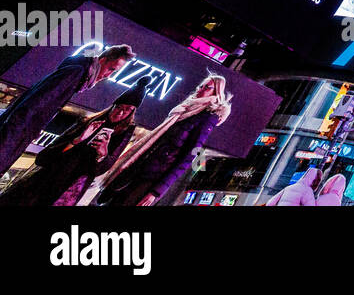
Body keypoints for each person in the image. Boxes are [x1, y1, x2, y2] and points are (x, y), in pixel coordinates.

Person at [0, 76, 148, 207]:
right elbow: (44, 157)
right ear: (113, 106)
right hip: (44, 181)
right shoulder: (87, 122)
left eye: (127, 110)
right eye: (119, 107)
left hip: (69, 189)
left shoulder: (123, 135)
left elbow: (100, 169)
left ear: (131, 113)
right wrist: (78, 140)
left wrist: (102, 154)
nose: (121, 112)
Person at [90, 73, 232, 207]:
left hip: (151, 178)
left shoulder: (208, 117)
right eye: (202, 86)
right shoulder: (183, 109)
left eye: (208, 87)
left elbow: (189, 156)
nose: (202, 89)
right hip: (138, 167)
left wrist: (156, 191)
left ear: (217, 93)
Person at [0, 44, 134, 177]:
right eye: (111, 69)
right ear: (102, 60)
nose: (108, 75)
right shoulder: (77, 72)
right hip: (15, 134)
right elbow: (36, 102)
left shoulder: (78, 72)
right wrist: (12, 138)